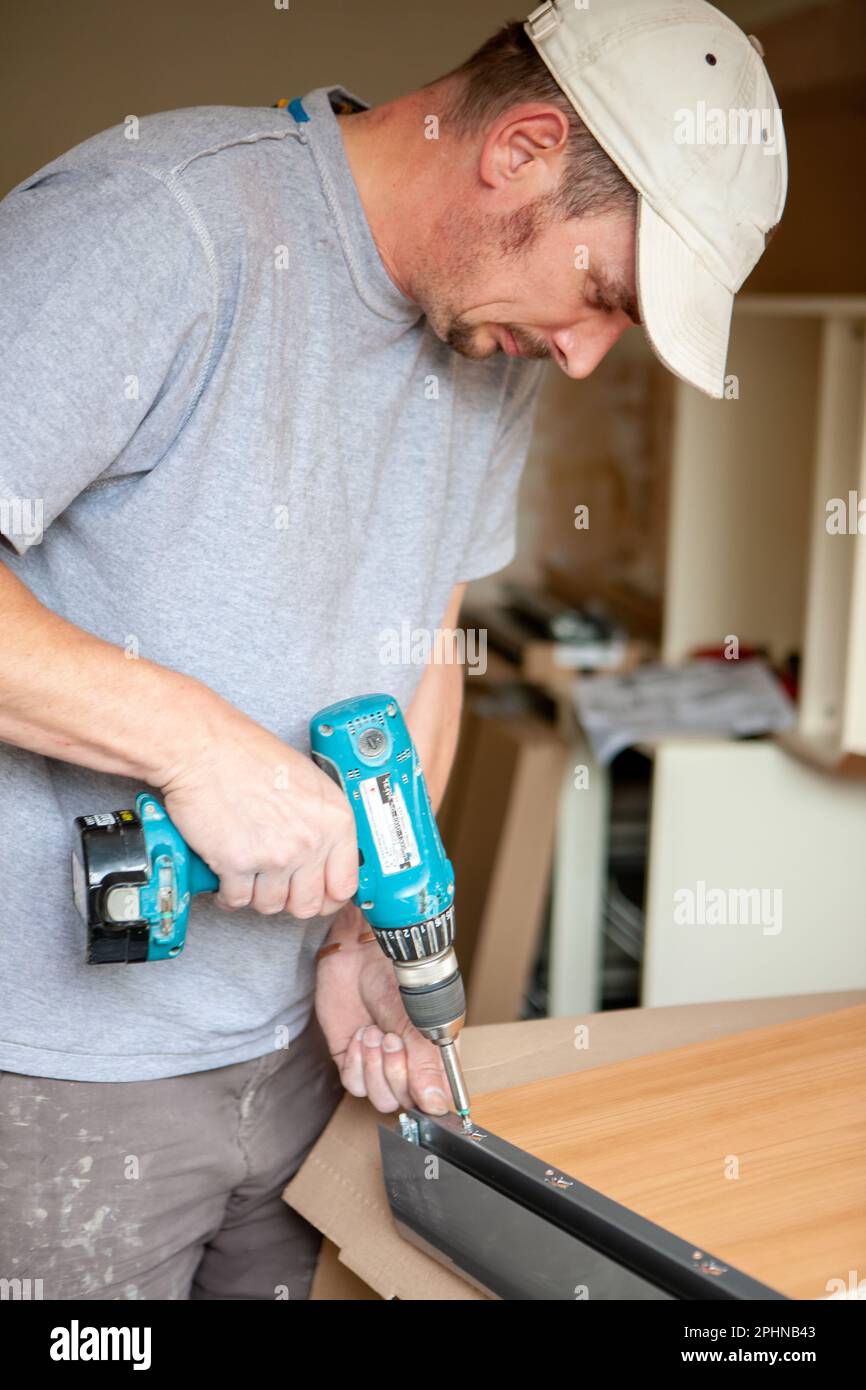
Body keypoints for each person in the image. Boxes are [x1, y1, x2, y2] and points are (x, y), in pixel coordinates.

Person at [0, 0, 786, 1299]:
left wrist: (367, 930)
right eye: (601, 295)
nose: (588, 356)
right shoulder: (166, 228)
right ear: (521, 148)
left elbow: (419, 641)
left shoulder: (492, 342)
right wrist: (196, 747)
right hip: (58, 1082)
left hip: (298, 1059)